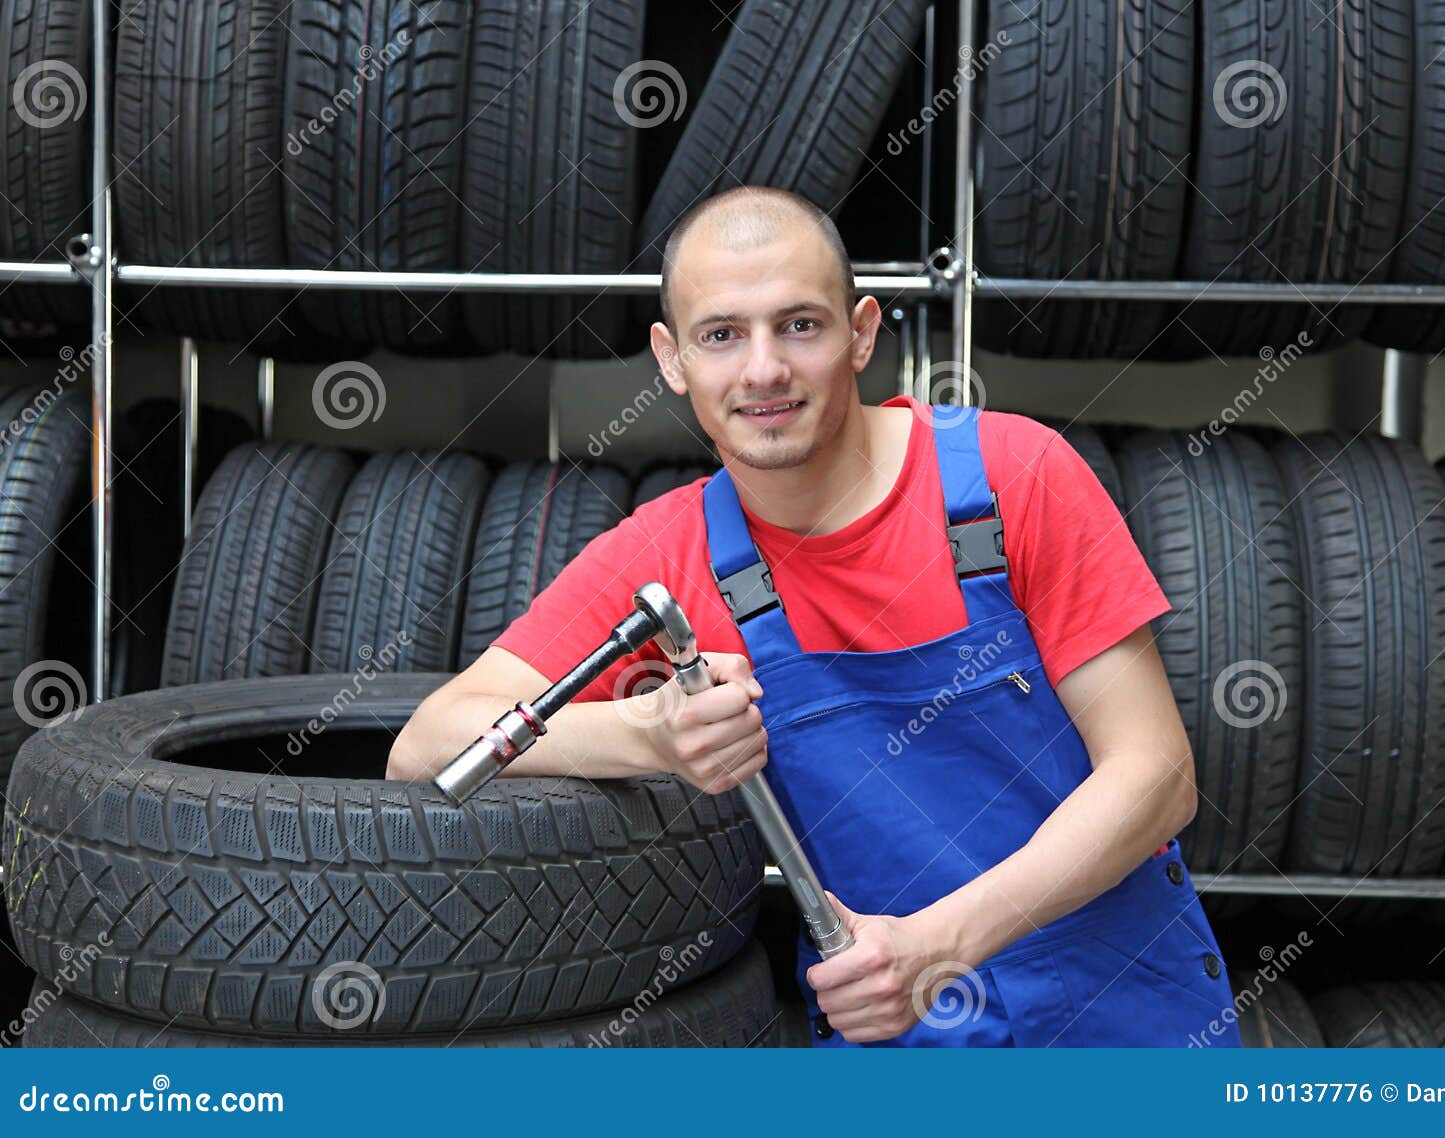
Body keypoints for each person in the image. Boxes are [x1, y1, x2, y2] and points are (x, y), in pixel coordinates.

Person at [388, 185, 1241, 1048]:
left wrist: (935, 948)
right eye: (721, 335)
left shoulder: (1014, 477)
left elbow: (1156, 775)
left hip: (1131, 1030)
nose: (763, 370)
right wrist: (648, 734)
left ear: (862, 333)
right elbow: (425, 747)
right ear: (671, 358)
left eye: (800, 325)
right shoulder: (667, 555)